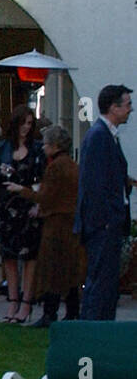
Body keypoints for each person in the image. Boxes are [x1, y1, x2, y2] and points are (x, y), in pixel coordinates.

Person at [8, 124, 87, 327]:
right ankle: (72, 311)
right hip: (70, 223)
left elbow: (45, 197)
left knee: (52, 269)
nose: (42, 148)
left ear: (54, 145)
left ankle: (49, 314)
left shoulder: (56, 167)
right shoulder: (72, 165)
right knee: (69, 270)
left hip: (57, 224)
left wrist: (21, 190)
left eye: (45, 144)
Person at [76, 84, 134, 320]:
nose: (131, 110)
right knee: (100, 284)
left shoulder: (107, 135)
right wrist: (108, 221)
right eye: (128, 104)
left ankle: (102, 330)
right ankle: (92, 332)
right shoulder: (100, 136)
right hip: (103, 226)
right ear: (113, 107)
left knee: (107, 285)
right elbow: (95, 184)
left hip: (108, 224)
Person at [0, 106, 45, 324]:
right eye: (23, 123)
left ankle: (27, 302)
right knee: (9, 256)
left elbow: (42, 179)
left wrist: (37, 203)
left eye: (30, 123)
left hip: (29, 208)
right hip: (7, 208)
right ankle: (13, 300)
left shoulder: (37, 149)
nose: (26, 127)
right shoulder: (1, 148)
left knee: (29, 256)